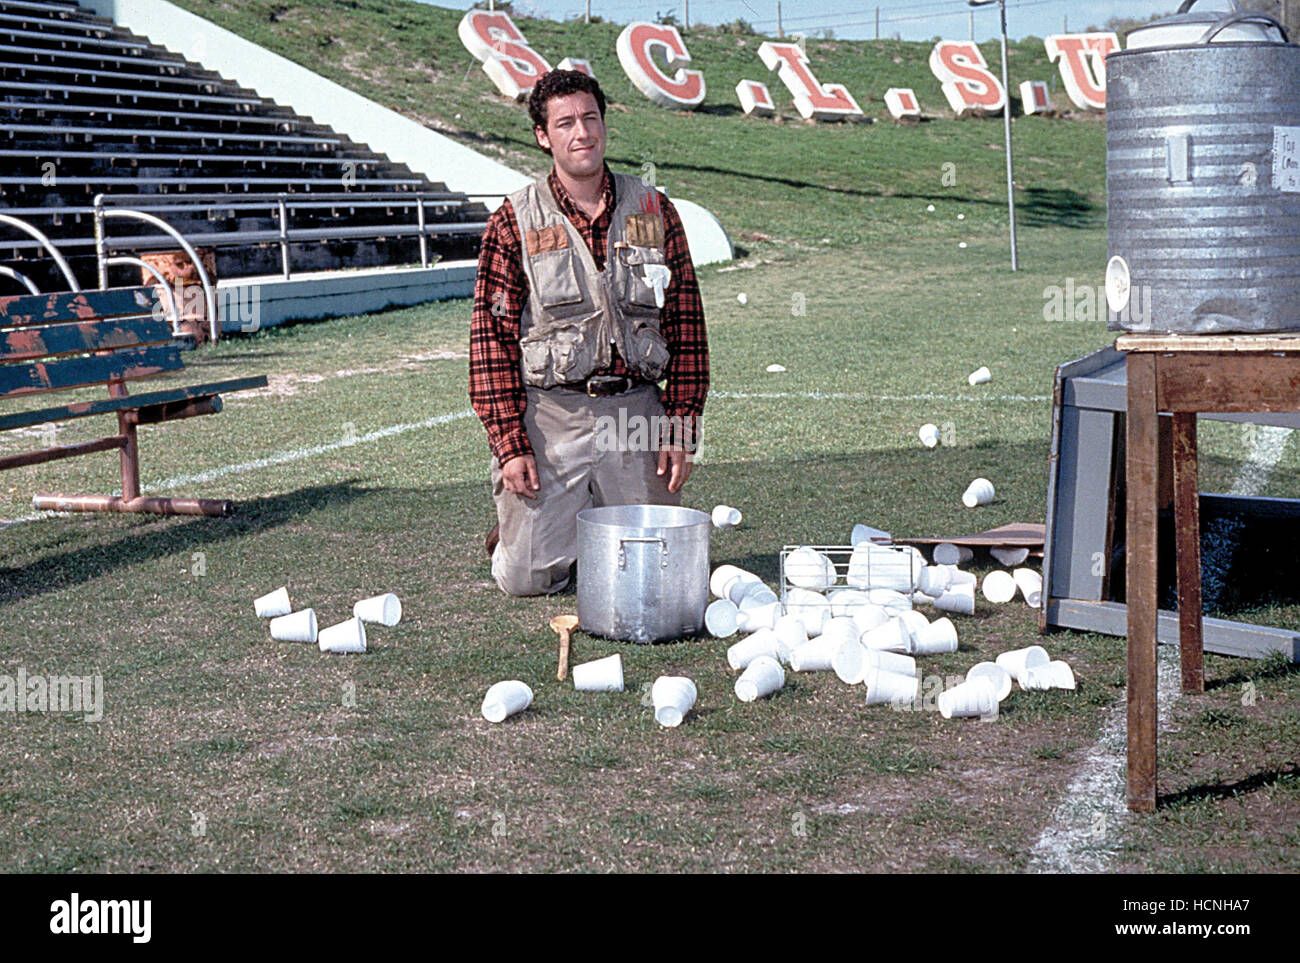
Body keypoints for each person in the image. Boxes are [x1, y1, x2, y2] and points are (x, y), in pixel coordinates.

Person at [470, 69, 709, 596]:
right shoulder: (513, 220)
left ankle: (592, 510)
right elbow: (490, 341)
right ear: (543, 135)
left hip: (636, 410)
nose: (581, 133)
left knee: (655, 570)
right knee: (525, 581)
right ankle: (527, 532)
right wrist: (511, 445)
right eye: (565, 123)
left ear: (604, 123)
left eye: (590, 118)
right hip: (553, 416)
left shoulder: (652, 208)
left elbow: (686, 321)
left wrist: (682, 424)